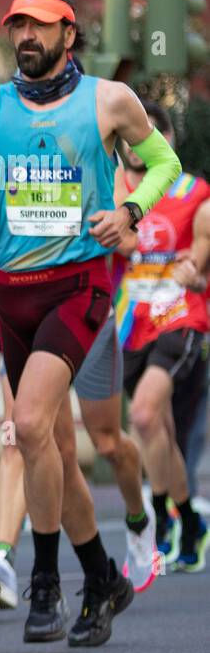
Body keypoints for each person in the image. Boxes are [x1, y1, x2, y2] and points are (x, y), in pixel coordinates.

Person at [0, 0, 182, 647]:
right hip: (14, 293)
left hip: (79, 285)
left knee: (26, 427)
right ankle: (102, 577)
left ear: (68, 34)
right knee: (55, 450)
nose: (26, 36)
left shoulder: (107, 100)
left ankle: (44, 579)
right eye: (18, 24)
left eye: (40, 26)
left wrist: (131, 211)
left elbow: (161, 163)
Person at [115, 105, 210, 573]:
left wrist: (194, 268)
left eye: (150, 135)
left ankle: (163, 516)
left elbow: (201, 253)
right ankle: (189, 518)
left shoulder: (195, 193)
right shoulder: (115, 188)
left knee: (144, 414)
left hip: (179, 317)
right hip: (129, 324)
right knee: (159, 429)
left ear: (166, 138)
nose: (138, 146)